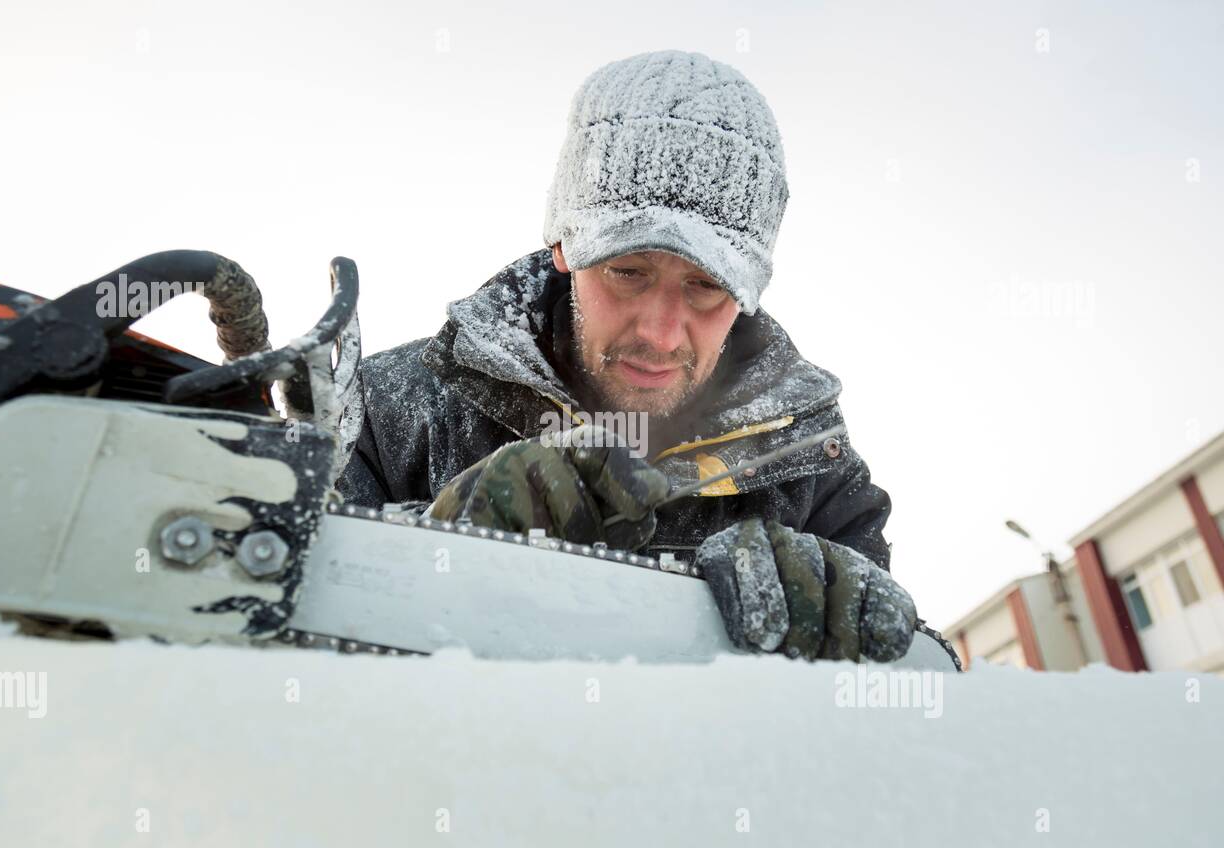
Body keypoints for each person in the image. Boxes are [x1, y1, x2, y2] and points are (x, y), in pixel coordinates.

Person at [337, 49, 918, 663]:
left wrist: (843, 627)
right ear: (565, 244)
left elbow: (929, 694)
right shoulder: (387, 415)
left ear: (748, 292)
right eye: (628, 270)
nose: (663, 335)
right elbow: (265, 645)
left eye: (706, 286)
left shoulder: (814, 474)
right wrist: (437, 548)